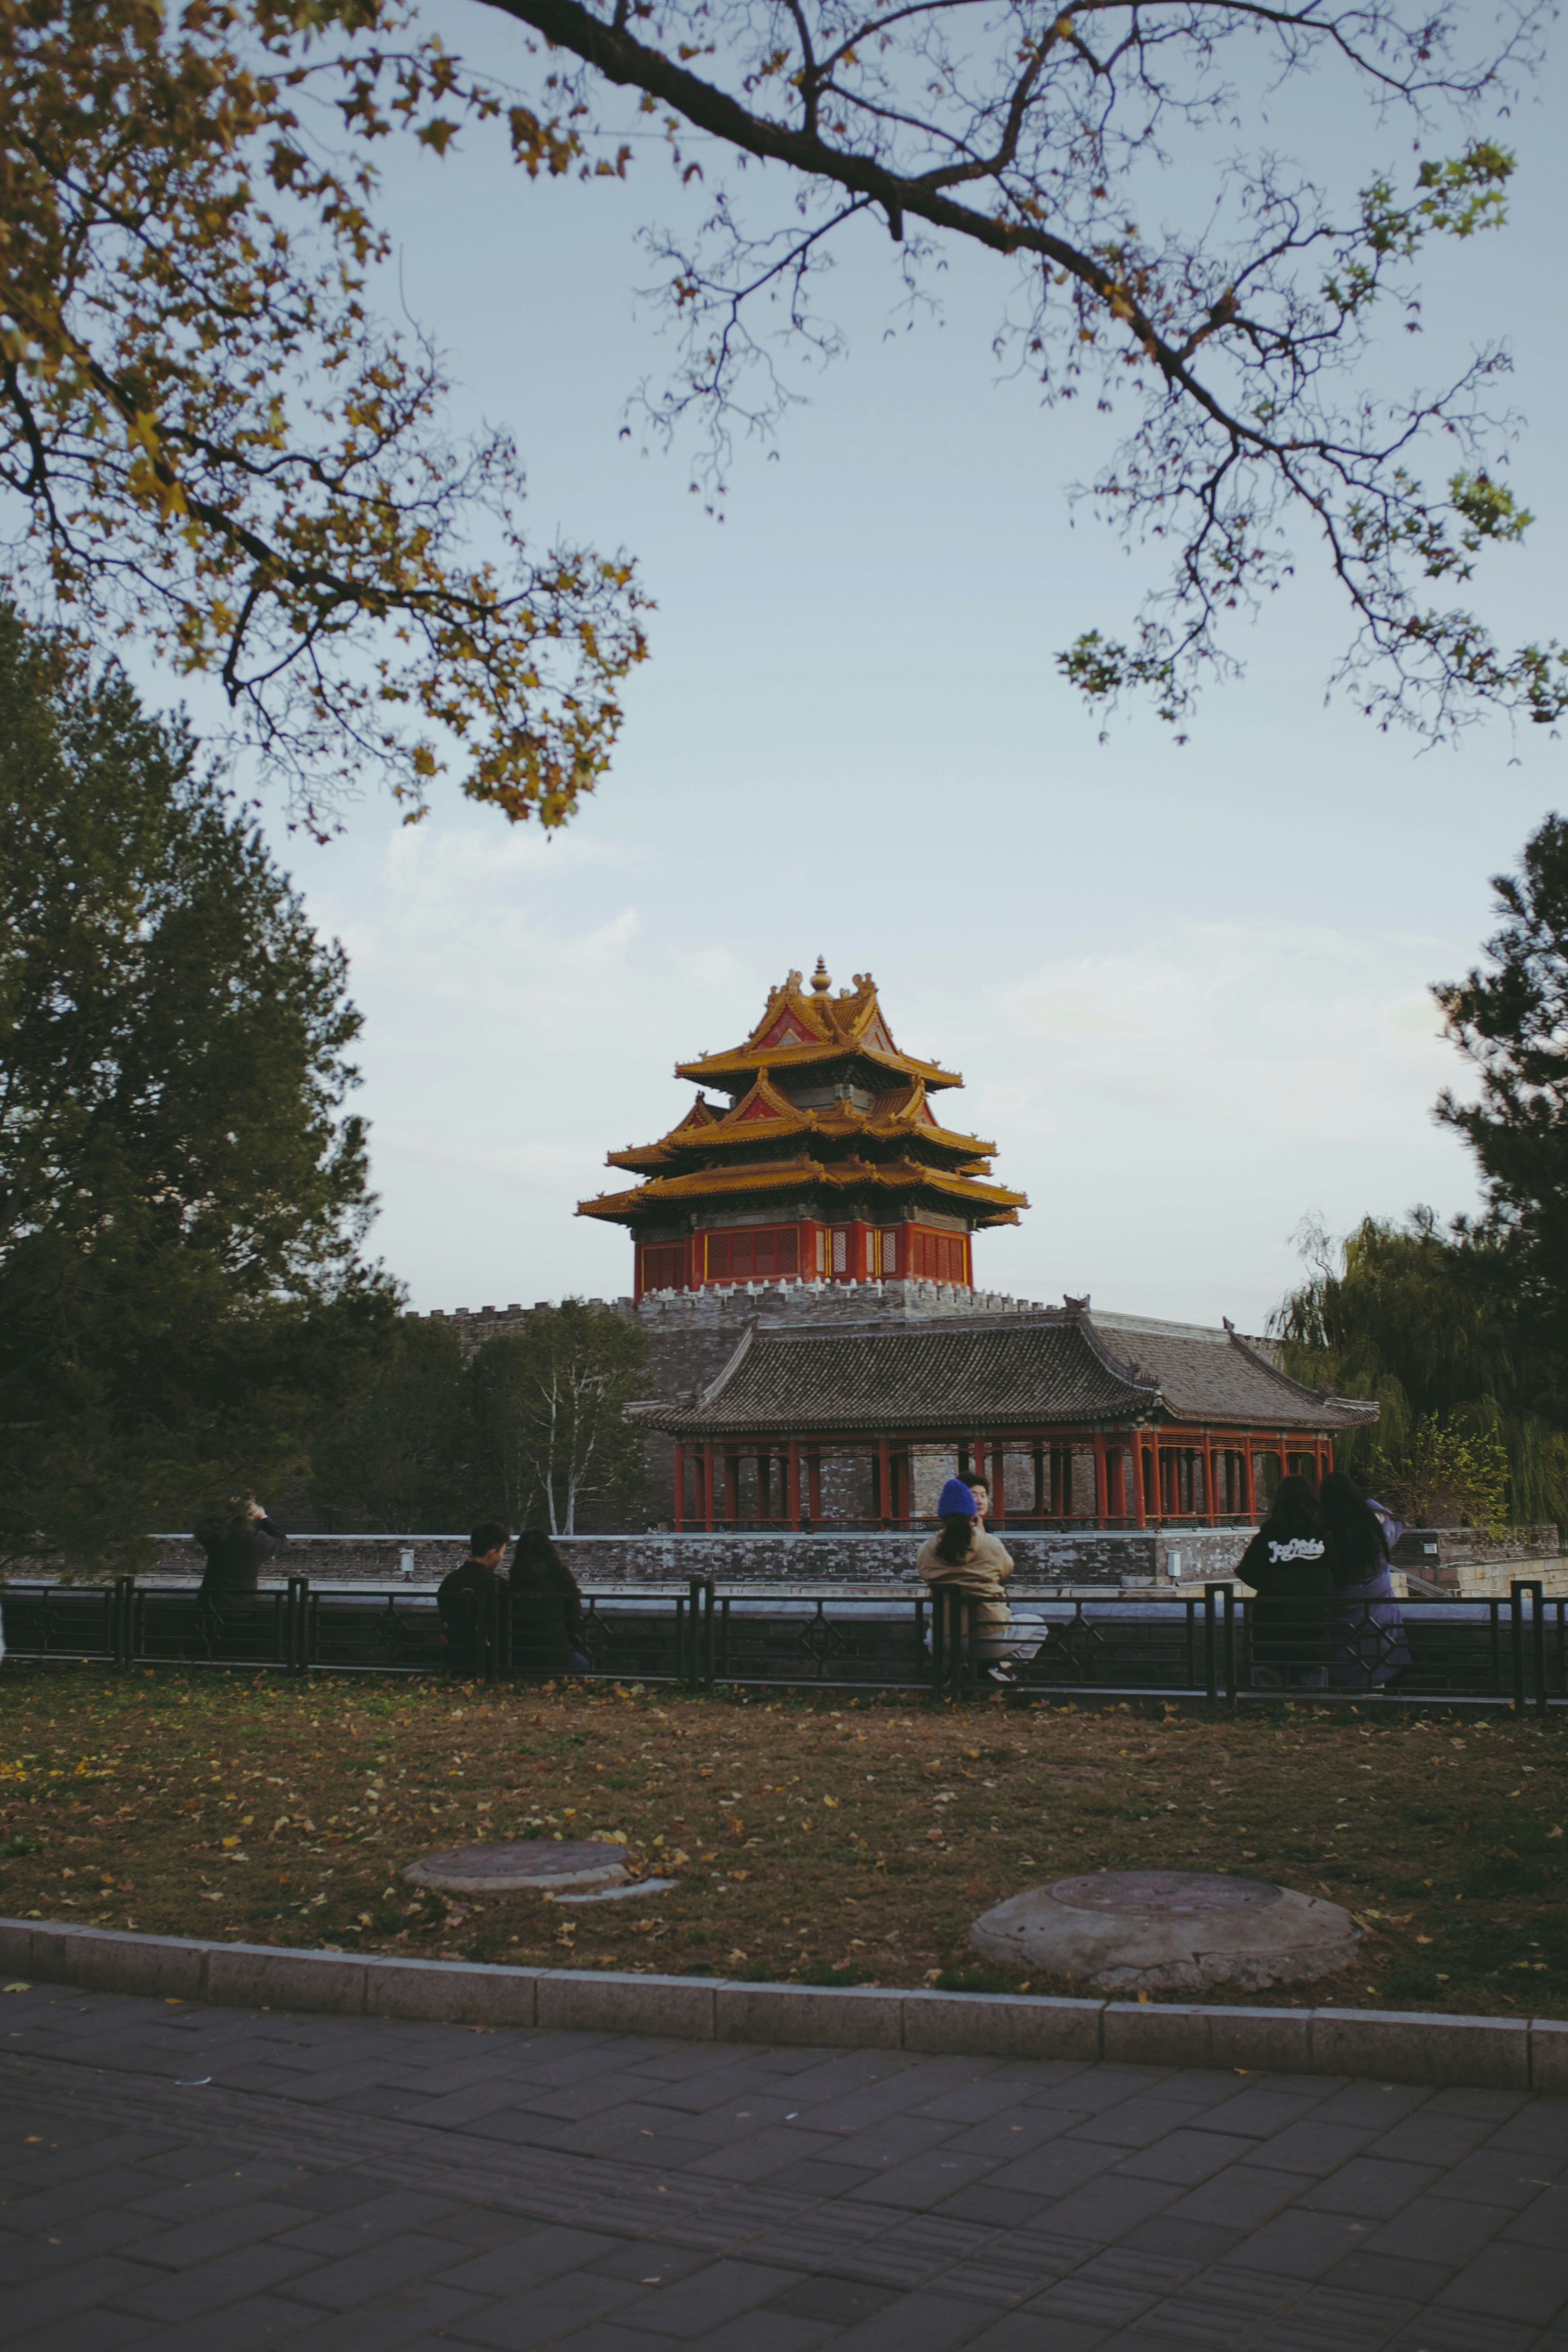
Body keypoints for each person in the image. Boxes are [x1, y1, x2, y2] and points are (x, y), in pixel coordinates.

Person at [1234, 1475, 1336, 1687]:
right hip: (1314, 1619)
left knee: (1268, 1677)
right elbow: (1339, 1568)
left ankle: (1268, 1711)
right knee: (1312, 1679)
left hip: (1272, 1620)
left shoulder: (1268, 1536)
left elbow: (1246, 1570)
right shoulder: (1322, 1536)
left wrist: (1272, 1585)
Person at [917, 1476, 1020, 1684]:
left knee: (931, 1634)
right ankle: (996, 1668)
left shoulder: (927, 1549)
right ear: (971, 1514)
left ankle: (956, 1670)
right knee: (1038, 1627)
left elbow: (923, 1571)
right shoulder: (991, 1544)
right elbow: (1007, 1569)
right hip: (989, 1637)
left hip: (943, 1639)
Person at [1320, 1470, 1413, 1690]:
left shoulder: (1323, 1533)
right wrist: (1371, 1506)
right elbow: (1396, 1526)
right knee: (1374, 1676)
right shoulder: (1376, 1530)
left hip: (1338, 1619)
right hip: (1378, 1619)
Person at [509, 1528, 591, 1677]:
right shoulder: (560, 1577)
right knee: (587, 1665)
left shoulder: (514, 1580)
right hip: (558, 1655)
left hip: (520, 1656)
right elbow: (575, 1621)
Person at [438, 1520, 510, 1678]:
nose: (502, 1559)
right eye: (502, 1553)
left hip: (454, 1658)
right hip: (488, 1662)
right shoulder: (497, 1585)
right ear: (492, 1554)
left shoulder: (449, 1582)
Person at [192, 1495, 289, 1601]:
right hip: (243, 1605)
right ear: (254, 1516)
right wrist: (264, 1518)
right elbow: (282, 1539)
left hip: (212, 1603)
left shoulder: (217, 1534)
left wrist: (224, 1514)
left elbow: (200, 1526)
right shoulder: (259, 1540)